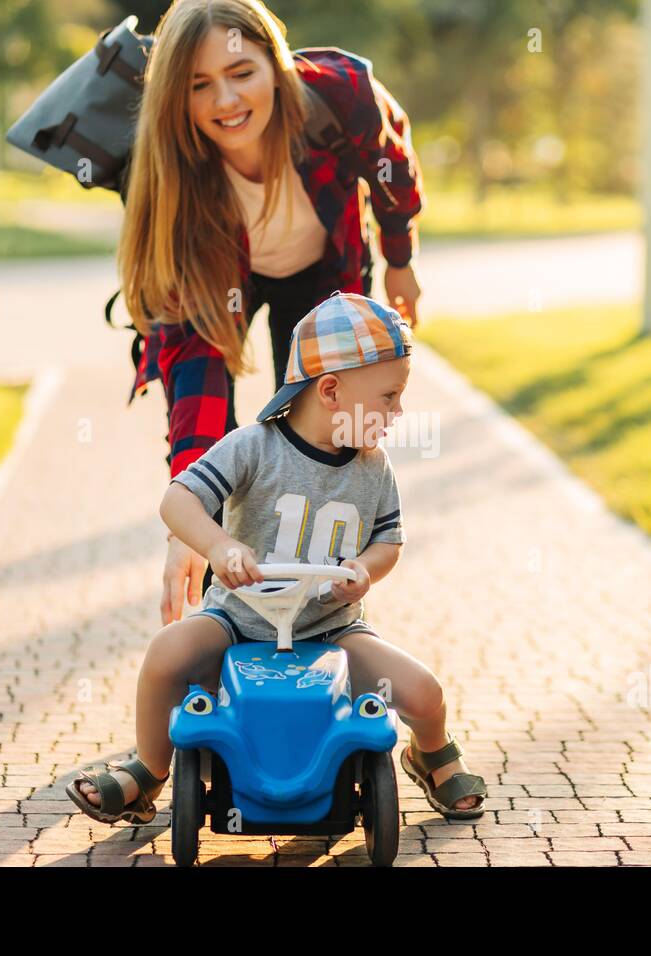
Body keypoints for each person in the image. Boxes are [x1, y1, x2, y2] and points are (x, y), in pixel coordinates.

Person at [66, 293, 487, 824]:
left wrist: (366, 570)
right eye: (389, 396)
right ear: (331, 390)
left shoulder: (374, 468)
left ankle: (431, 754)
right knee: (167, 654)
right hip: (239, 621)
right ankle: (149, 769)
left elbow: (388, 542)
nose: (398, 412)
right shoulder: (253, 448)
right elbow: (178, 500)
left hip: (332, 629)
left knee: (424, 694)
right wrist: (219, 546)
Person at [114, 0, 426, 627]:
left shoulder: (339, 96)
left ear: (275, 64)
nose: (225, 100)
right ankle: (237, 608)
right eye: (199, 85)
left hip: (323, 270)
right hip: (227, 270)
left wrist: (399, 259)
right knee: (233, 450)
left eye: (240, 72)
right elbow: (193, 366)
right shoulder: (176, 179)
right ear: (177, 97)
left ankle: (318, 608)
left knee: (322, 425)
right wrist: (192, 528)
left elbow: (390, 168)